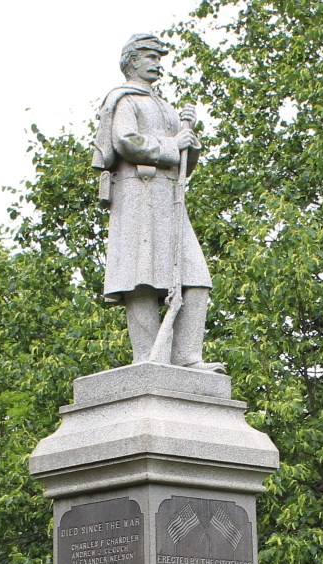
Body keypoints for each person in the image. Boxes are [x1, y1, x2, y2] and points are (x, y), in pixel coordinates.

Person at [92, 33, 221, 371]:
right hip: (138, 195)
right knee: (140, 278)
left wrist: (189, 144)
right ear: (132, 60)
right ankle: (147, 358)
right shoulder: (124, 100)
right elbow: (126, 141)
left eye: (158, 57)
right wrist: (171, 144)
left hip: (170, 198)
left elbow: (184, 165)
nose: (157, 63)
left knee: (196, 279)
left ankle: (186, 357)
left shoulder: (165, 105)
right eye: (150, 56)